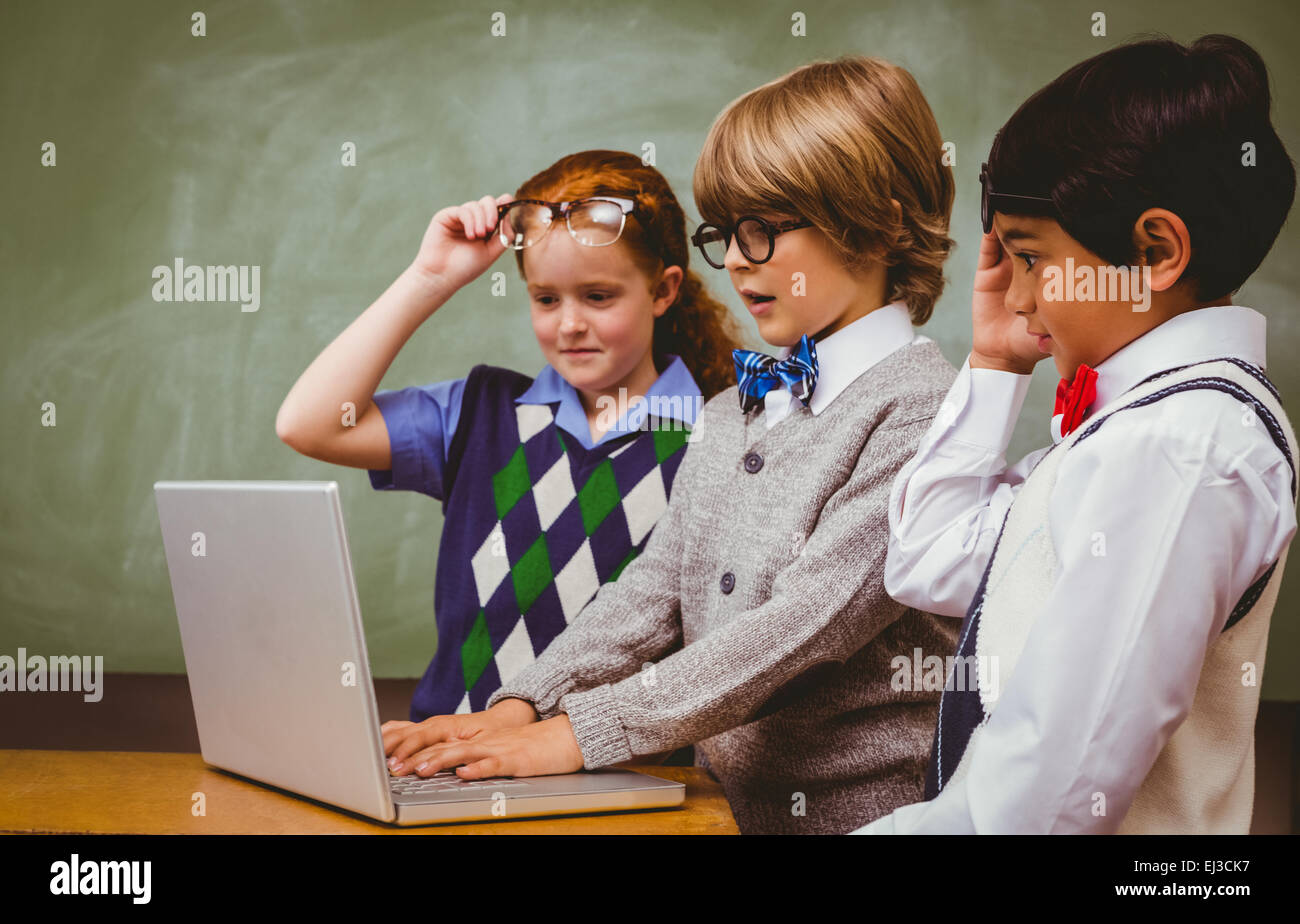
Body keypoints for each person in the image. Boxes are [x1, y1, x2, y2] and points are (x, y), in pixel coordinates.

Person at [382, 55, 962, 834]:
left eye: (763, 230)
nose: (736, 262)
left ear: (881, 222)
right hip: (718, 815)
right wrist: (527, 701)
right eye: (726, 234)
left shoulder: (923, 412)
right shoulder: (735, 410)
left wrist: (580, 732)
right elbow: (651, 591)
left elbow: (802, 628)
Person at [857, 34, 1298, 834]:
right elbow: (928, 562)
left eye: (1030, 258)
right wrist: (993, 357)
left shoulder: (1175, 445)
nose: (1016, 296)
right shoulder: (1136, 424)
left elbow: (1040, 796)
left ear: (1154, 251)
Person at [276, 150, 743, 721]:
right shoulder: (479, 412)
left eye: (598, 297)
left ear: (664, 291)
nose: (569, 324)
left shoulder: (725, 438)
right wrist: (429, 278)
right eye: (546, 299)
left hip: (624, 785)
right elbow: (308, 423)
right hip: (448, 765)